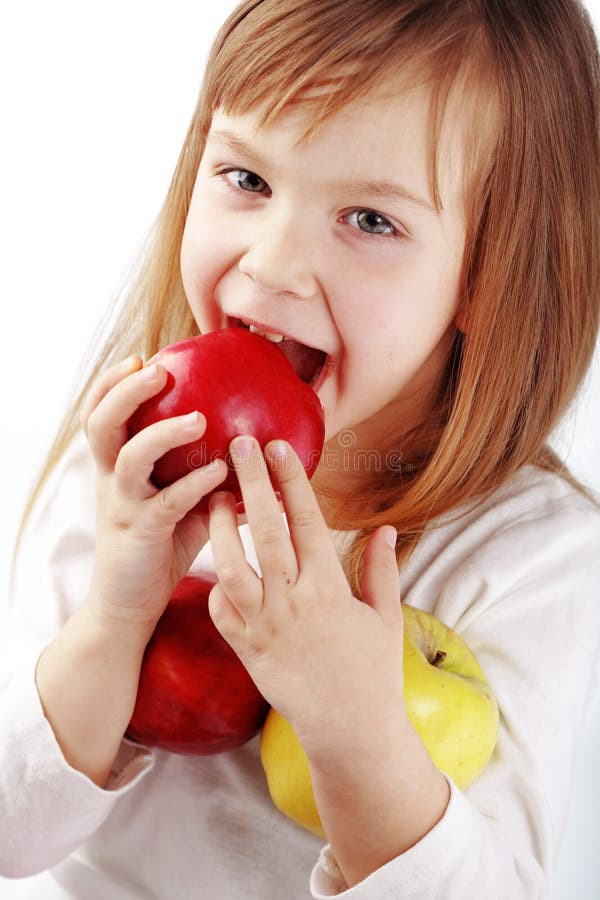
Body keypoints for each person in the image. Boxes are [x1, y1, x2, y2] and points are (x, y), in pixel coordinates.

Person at [2, 0, 599, 896]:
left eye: (370, 220)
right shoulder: (142, 460)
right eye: (247, 178)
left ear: (487, 276)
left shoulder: (533, 559)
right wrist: (115, 621)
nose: (273, 263)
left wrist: (354, 727)